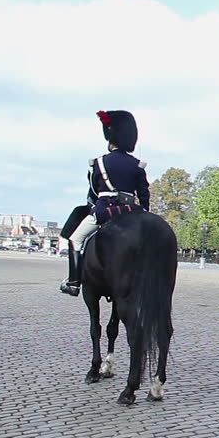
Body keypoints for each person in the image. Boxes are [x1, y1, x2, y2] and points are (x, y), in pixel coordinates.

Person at [60, 110, 149, 297]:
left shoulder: (99, 163)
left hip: (104, 211)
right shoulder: (137, 165)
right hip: (131, 212)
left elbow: (93, 190)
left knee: (75, 239)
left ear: (111, 137)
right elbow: (143, 193)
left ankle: (74, 283)